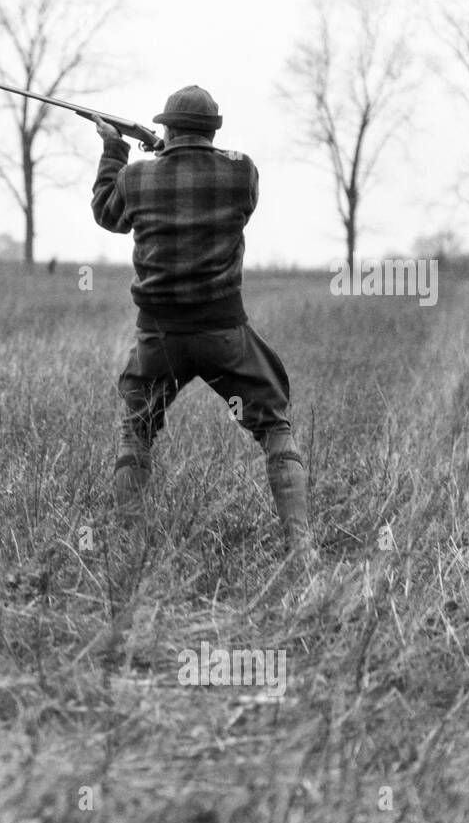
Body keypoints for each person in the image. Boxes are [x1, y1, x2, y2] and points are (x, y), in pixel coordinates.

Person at [90, 85, 314, 561]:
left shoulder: (136, 178)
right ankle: (302, 548)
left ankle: (128, 549)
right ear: (213, 131)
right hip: (223, 333)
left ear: (167, 129)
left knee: (136, 431)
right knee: (275, 428)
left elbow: (107, 214)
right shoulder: (240, 172)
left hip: (159, 338)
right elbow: (230, 194)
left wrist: (114, 148)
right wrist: (171, 154)